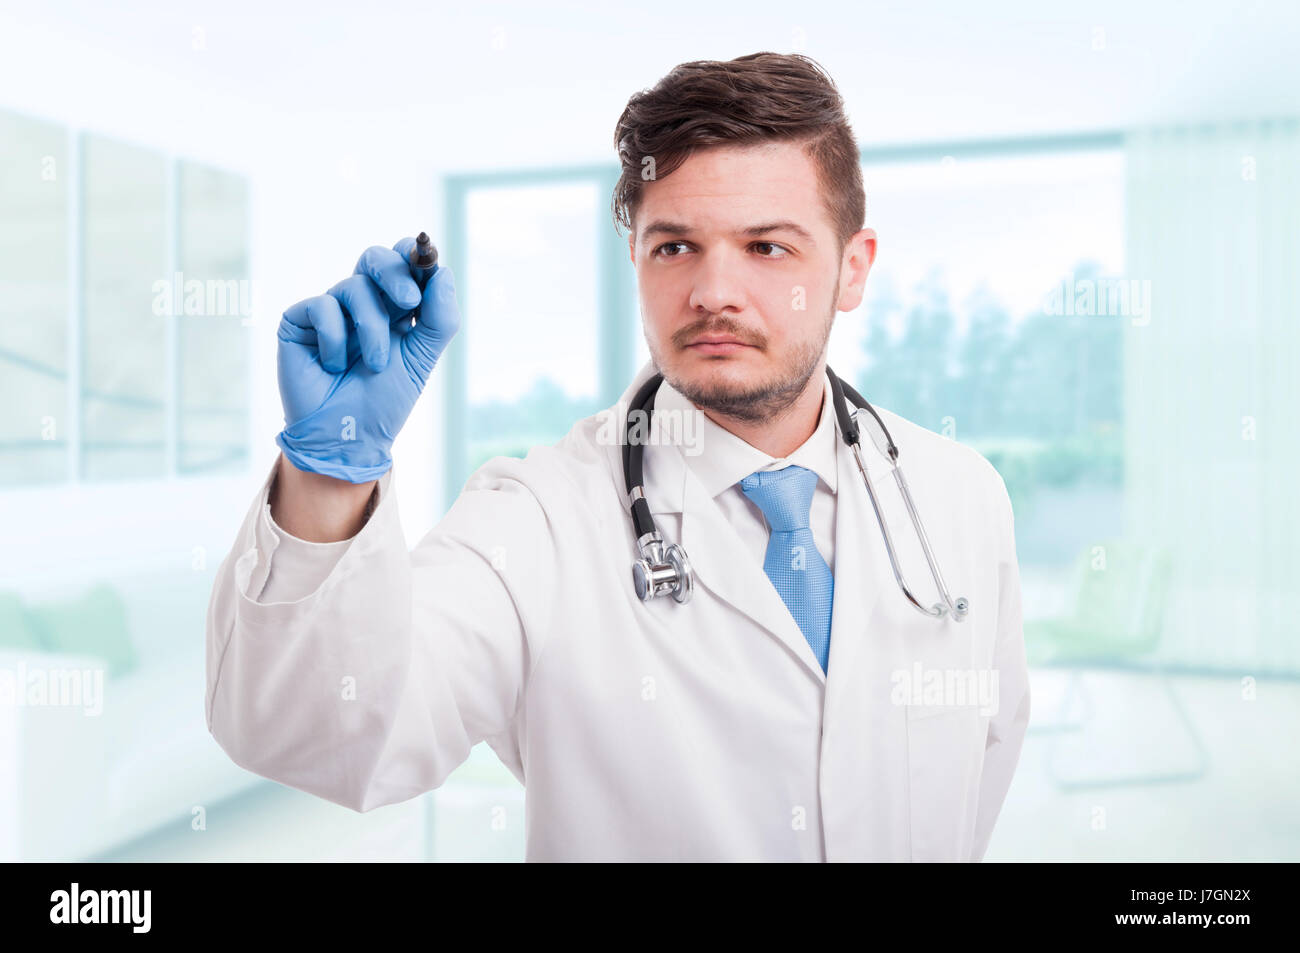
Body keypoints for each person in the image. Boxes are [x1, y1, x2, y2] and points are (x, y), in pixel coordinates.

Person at [205, 51, 1030, 862]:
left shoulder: (957, 497)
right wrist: (326, 471)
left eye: (766, 247)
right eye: (674, 246)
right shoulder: (537, 522)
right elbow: (333, 736)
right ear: (636, 260)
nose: (714, 291)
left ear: (853, 268)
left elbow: (980, 774)